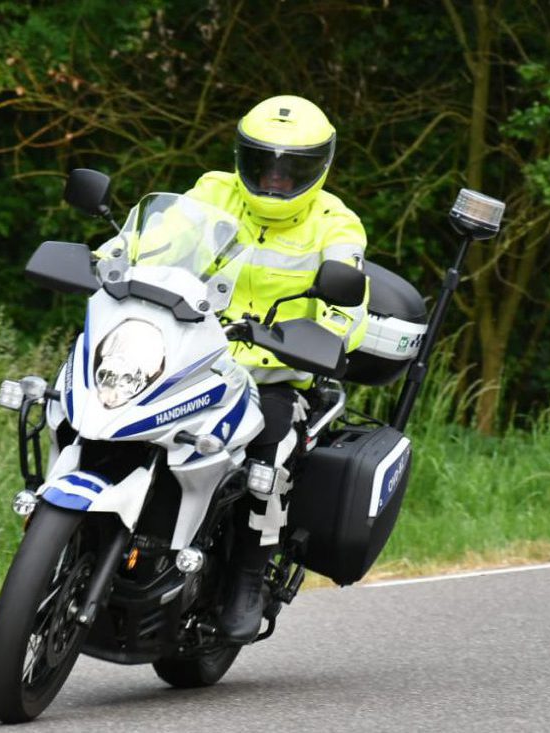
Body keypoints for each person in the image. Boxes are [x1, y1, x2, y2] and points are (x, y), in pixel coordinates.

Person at [186, 94, 370, 642]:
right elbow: (151, 243)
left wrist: (317, 339)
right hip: (192, 355)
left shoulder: (337, 224)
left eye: (293, 169)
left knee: (270, 454)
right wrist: (108, 259)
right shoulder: (212, 191)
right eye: (263, 164)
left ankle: (246, 575)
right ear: (241, 157)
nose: (274, 180)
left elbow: (347, 309)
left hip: (274, 374)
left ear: (320, 168)